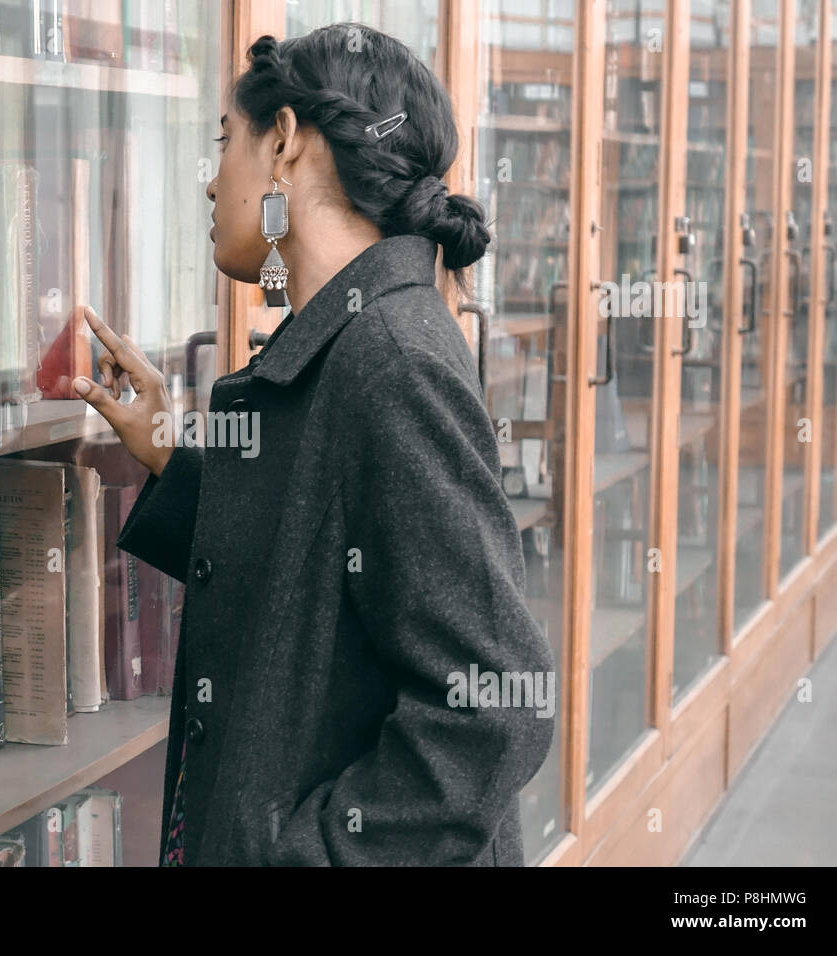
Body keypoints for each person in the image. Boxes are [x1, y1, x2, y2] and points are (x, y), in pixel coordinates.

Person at [69, 23, 557, 866]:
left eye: (226, 141)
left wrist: (308, 854)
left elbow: (496, 707)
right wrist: (167, 456)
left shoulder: (388, 356)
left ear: (285, 143)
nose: (210, 181)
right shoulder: (345, 337)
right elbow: (312, 583)